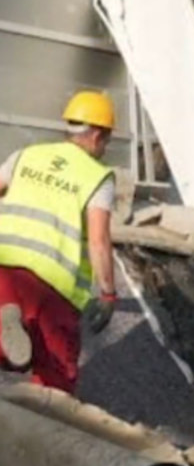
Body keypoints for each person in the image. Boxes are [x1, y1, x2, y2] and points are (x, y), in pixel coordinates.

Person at [0, 91, 118, 393]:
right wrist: (107, 294)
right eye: (106, 139)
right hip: (51, 287)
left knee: (6, 343)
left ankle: (6, 327)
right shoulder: (97, 176)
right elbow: (99, 240)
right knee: (56, 378)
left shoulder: (26, 155)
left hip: (4, 267)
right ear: (95, 134)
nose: (105, 147)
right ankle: (40, 431)